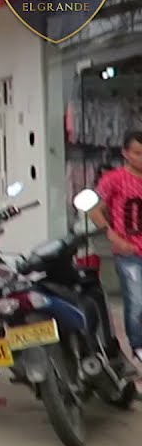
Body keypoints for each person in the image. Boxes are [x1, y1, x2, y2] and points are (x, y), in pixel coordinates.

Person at [87, 130, 142, 380]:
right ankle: (138, 347)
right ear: (126, 153)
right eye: (137, 153)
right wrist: (113, 237)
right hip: (129, 252)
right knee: (136, 301)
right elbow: (94, 208)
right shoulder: (114, 179)